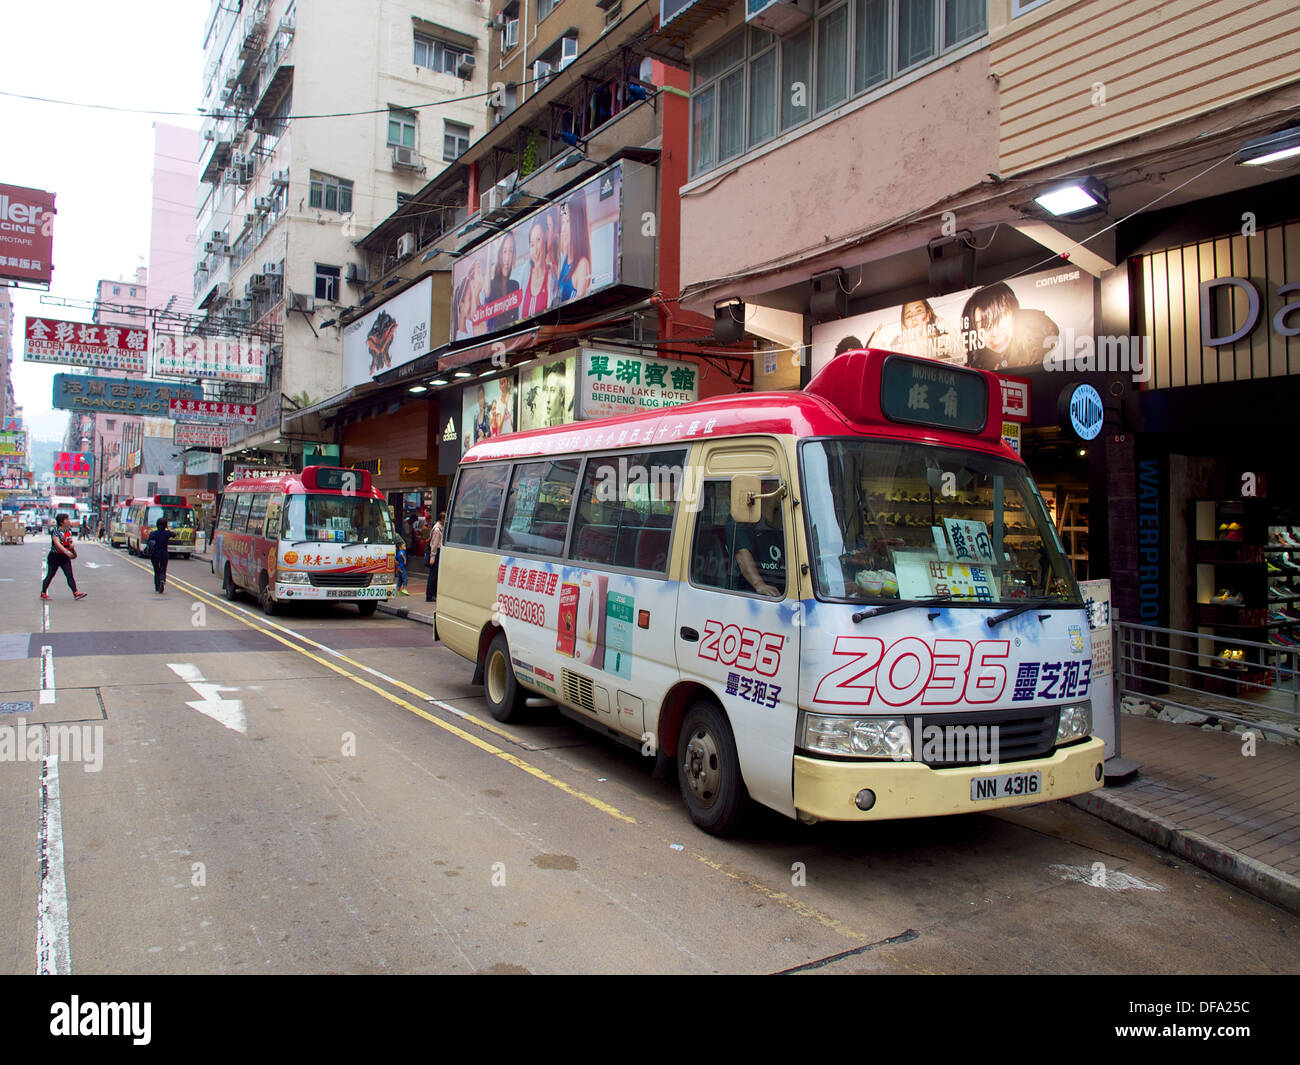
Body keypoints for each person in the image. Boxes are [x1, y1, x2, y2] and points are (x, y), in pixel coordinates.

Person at [961, 282, 1060, 370]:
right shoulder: (980, 361)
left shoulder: (1035, 347)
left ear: (1014, 313)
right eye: (982, 324)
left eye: (1000, 318)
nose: (994, 332)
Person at [730, 485, 785, 597]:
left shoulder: (784, 524)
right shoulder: (739, 520)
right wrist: (759, 584)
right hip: (752, 593)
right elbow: (742, 554)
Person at [555, 197, 593, 302]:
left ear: (575, 225)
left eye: (568, 221)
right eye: (563, 222)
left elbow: (582, 303)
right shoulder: (565, 260)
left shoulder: (582, 264)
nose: (564, 229)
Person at [41, 513, 86, 600]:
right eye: (67, 519)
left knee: (69, 575)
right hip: (55, 556)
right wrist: (66, 551)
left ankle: (75, 592)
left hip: (64, 557)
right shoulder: (56, 531)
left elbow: (70, 540)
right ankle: (43, 592)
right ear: (62, 522)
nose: (69, 521)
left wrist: (72, 546)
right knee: (50, 575)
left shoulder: (68, 530)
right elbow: (57, 543)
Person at [487, 234, 522, 331]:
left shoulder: (515, 285)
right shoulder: (491, 285)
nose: (507, 258)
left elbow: (516, 318)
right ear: (499, 254)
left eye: (510, 251)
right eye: (504, 251)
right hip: (492, 340)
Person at [519, 220, 553, 318]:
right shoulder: (525, 273)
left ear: (545, 239)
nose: (536, 250)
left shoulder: (551, 275)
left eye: (538, 240)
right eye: (532, 245)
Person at [145, 516, 174, 593]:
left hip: (154, 555)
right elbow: (174, 534)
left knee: (156, 571)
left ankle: (157, 587)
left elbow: (148, 542)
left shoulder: (153, 533)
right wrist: (167, 529)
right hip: (164, 554)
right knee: (163, 570)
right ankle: (162, 580)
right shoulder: (167, 534)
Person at [425, 511, 444, 601]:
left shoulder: (439, 528)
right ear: (441, 519)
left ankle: (432, 594)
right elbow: (434, 544)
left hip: (437, 552)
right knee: (433, 575)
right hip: (436, 553)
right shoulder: (437, 530)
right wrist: (432, 557)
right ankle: (430, 595)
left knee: (435, 574)